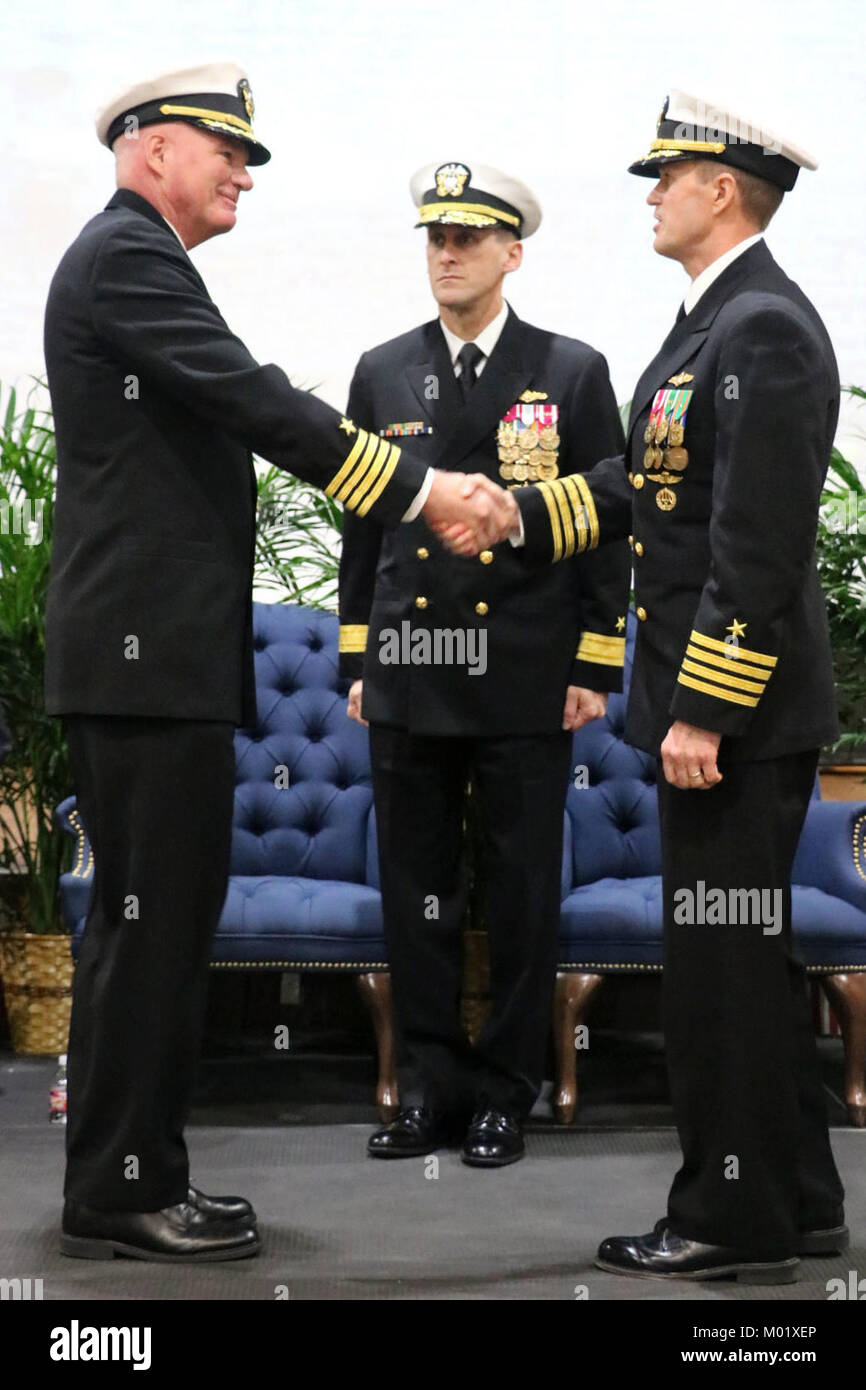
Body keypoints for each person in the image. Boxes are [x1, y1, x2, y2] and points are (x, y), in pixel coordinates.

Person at [44, 62, 516, 1264]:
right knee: (152, 930)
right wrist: (417, 485)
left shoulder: (136, 264)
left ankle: (120, 1176)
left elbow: (244, 403)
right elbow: (260, 403)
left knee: (147, 928)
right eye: (226, 148)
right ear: (152, 149)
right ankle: (126, 1186)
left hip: (147, 660)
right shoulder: (129, 259)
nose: (242, 171)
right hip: (144, 663)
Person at [440, 90, 847, 1280]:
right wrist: (527, 507)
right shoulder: (713, 323)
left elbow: (757, 547)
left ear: (720, 189)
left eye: (666, 177)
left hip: (735, 715)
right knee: (748, 969)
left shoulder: (761, 326)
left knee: (718, 980)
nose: (652, 193)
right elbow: (652, 481)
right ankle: (798, 1199)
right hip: (727, 714)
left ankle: (725, 1217)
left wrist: (703, 711)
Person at [339, 161, 629, 1166]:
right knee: (415, 891)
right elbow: (361, 532)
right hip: (411, 670)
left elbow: (607, 523)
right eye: (434, 238)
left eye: (467, 238)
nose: (447, 253)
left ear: (512, 252)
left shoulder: (570, 370)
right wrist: (358, 658)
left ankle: (507, 1087)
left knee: (515, 892)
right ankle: (427, 1086)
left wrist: (594, 661)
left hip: (523, 673)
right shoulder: (382, 371)